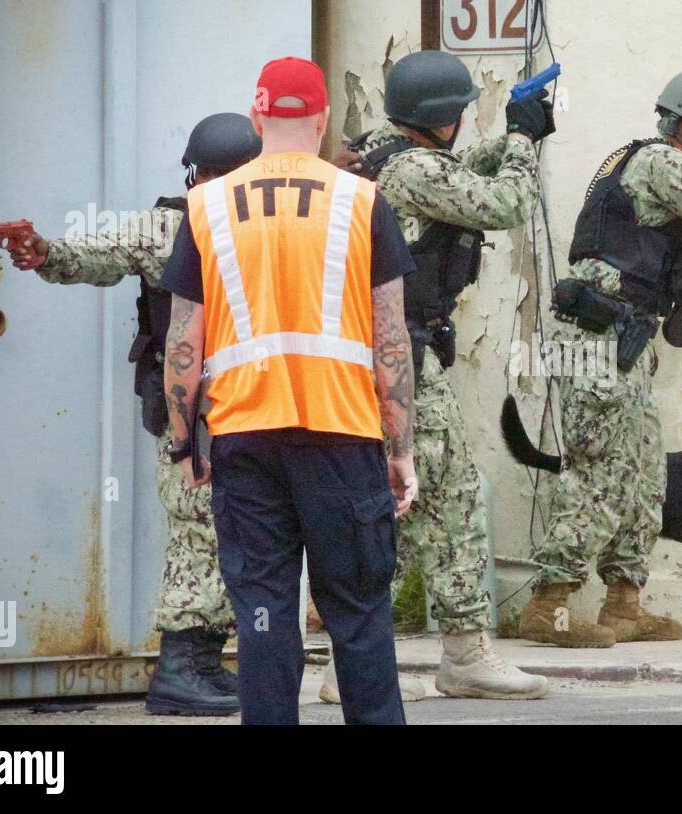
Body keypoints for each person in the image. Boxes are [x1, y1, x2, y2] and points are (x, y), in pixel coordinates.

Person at [159, 56, 418, 725]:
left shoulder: (207, 206)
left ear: (257, 117)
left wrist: (187, 441)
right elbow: (392, 340)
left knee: (266, 619)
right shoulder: (363, 201)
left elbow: (183, 340)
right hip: (343, 434)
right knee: (358, 615)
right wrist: (401, 449)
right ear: (324, 118)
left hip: (246, 441)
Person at [7, 113, 262, 716]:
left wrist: (47, 252)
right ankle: (180, 669)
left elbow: (89, 253)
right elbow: (92, 255)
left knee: (223, 536)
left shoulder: (181, 221)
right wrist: (48, 253)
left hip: (230, 407)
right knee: (202, 535)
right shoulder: (196, 224)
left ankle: (201, 660)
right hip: (203, 413)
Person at [319, 50, 552, 702]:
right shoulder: (414, 168)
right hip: (405, 363)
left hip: (373, 359)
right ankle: (458, 657)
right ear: (443, 117)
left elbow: (453, 175)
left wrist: (508, 134)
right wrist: (525, 141)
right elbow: (506, 202)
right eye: (461, 111)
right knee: (444, 503)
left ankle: (359, 662)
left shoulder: (379, 151)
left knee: (387, 508)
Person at [519, 70, 682, 647]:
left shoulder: (656, 174)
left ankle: (623, 605)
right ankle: (549, 605)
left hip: (625, 345)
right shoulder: (663, 161)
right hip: (598, 341)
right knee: (597, 474)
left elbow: (672, 267)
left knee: (642, 478)